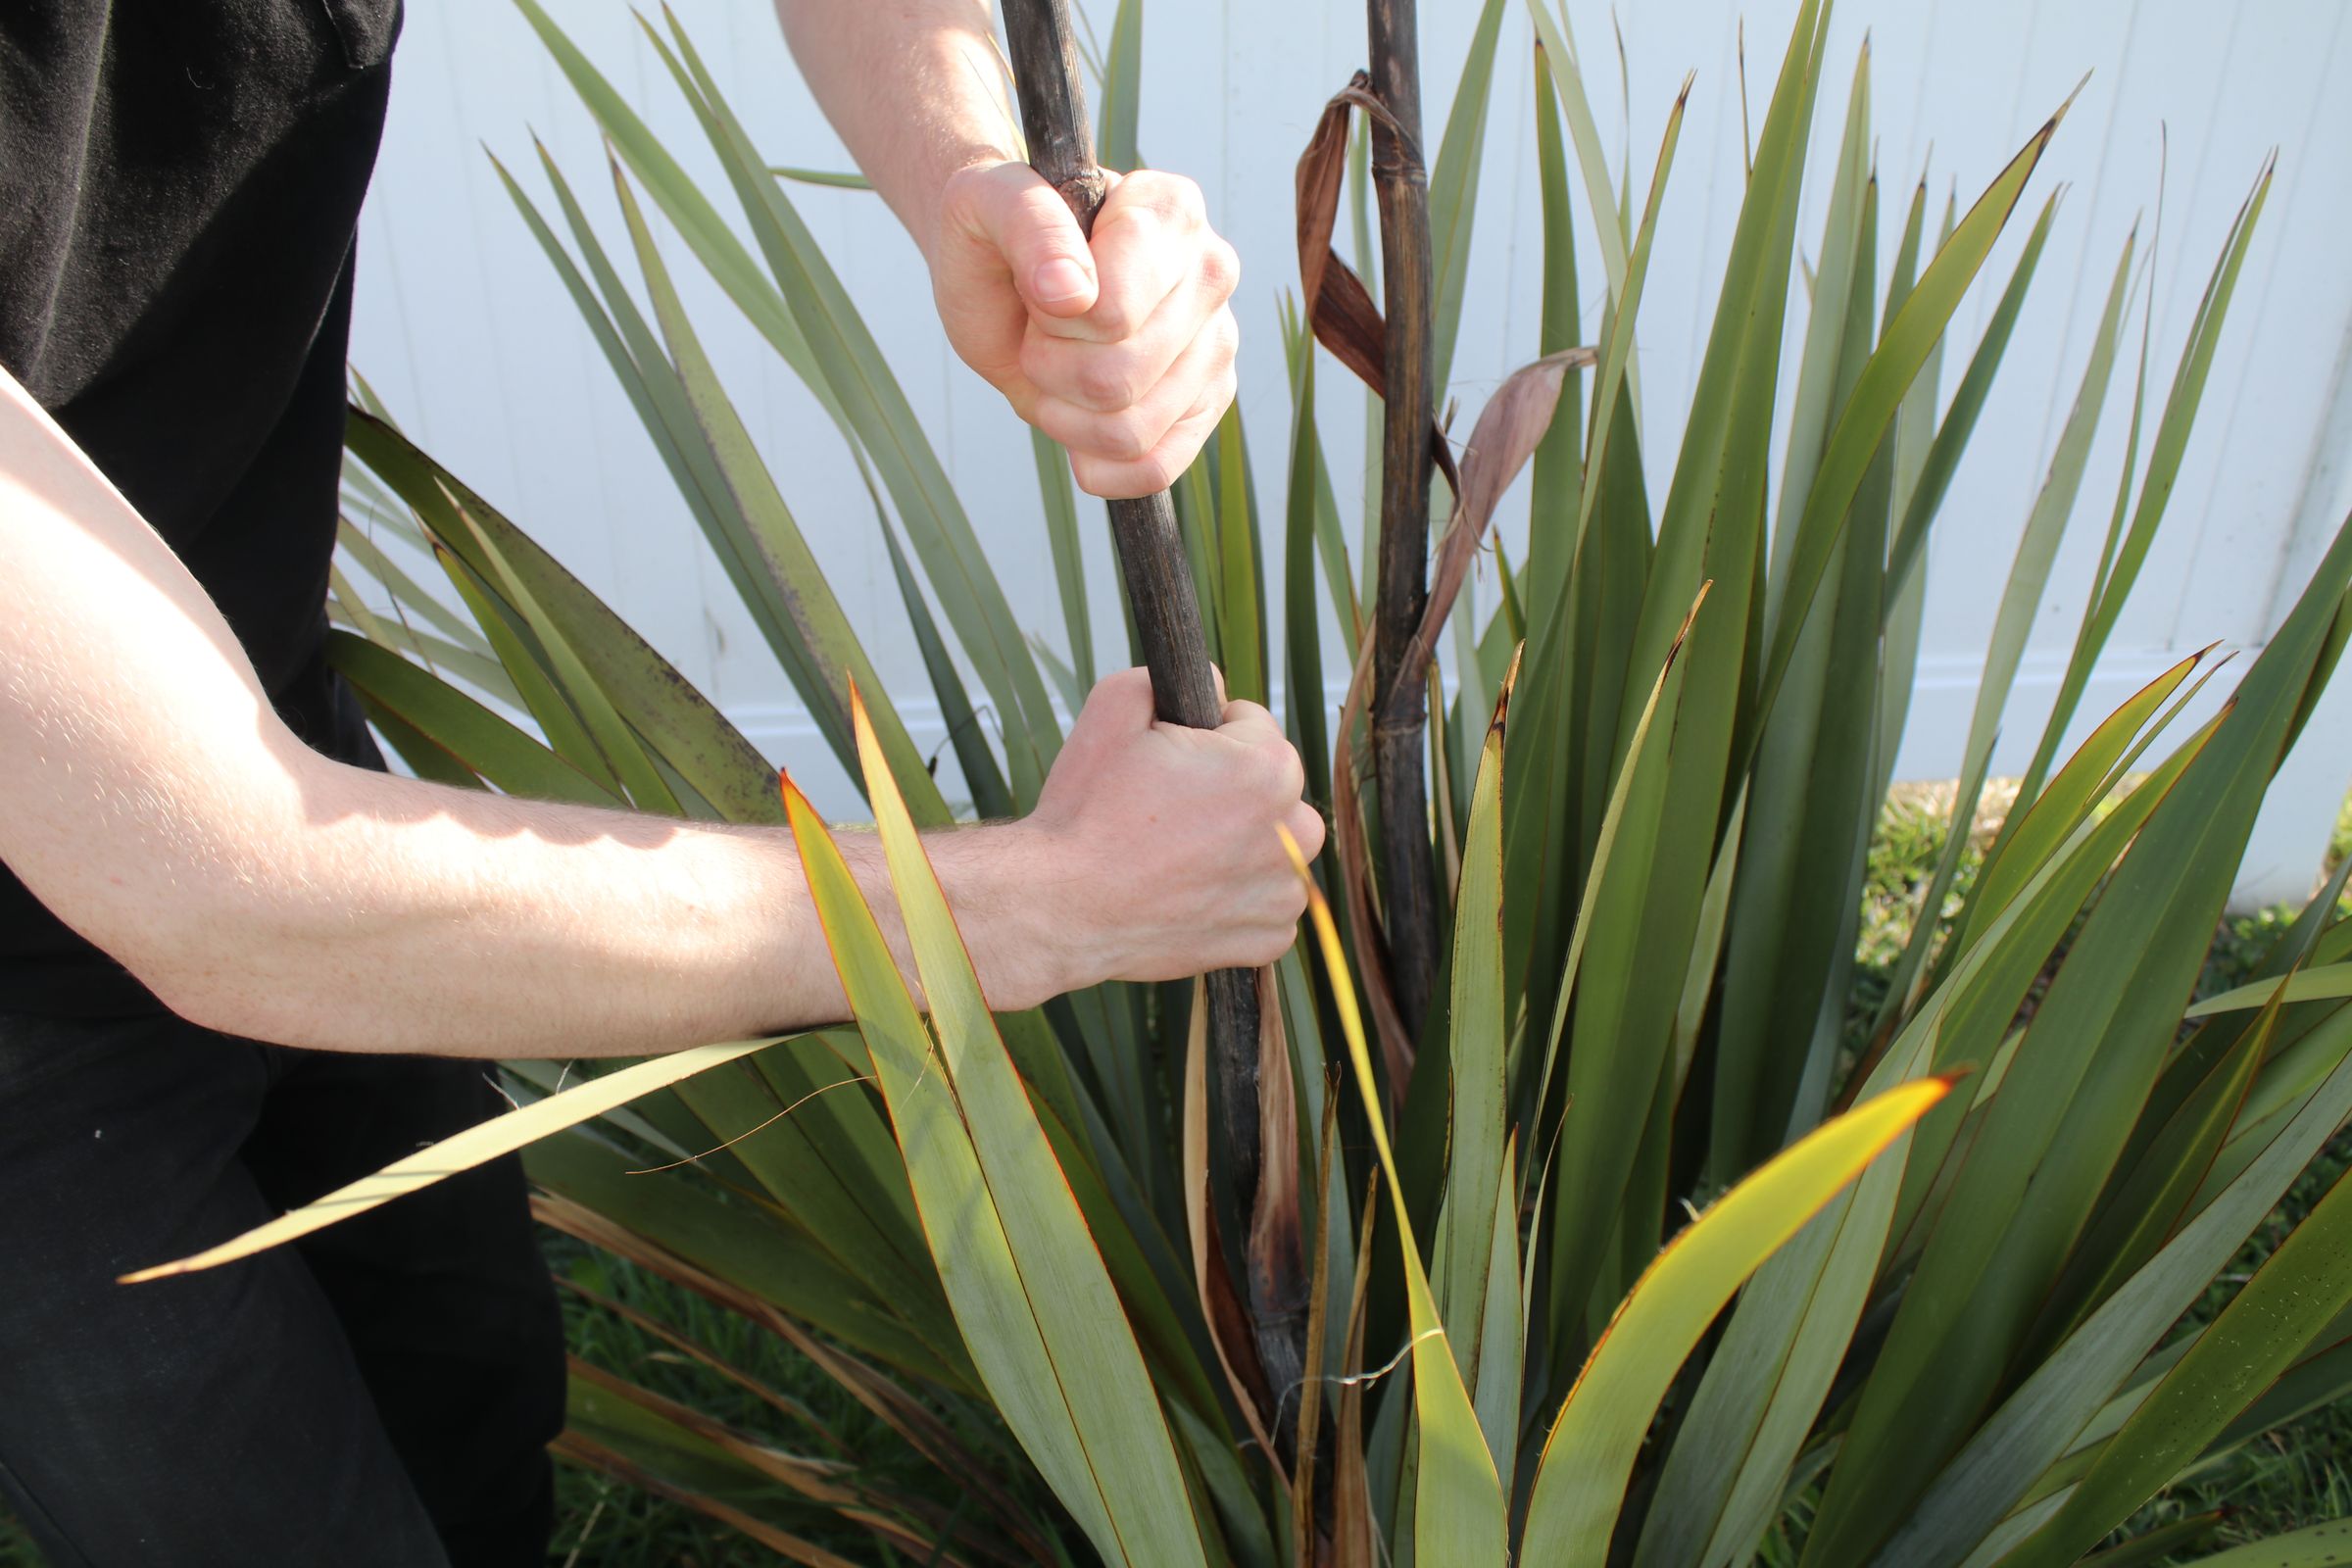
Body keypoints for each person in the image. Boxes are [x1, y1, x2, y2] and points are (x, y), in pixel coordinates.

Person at [0, 1, 1322, 1562]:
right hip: (83, 945)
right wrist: (1046, 906)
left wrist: (975, 176)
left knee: (471, 1395)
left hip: (239, 689)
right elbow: (227, 880)